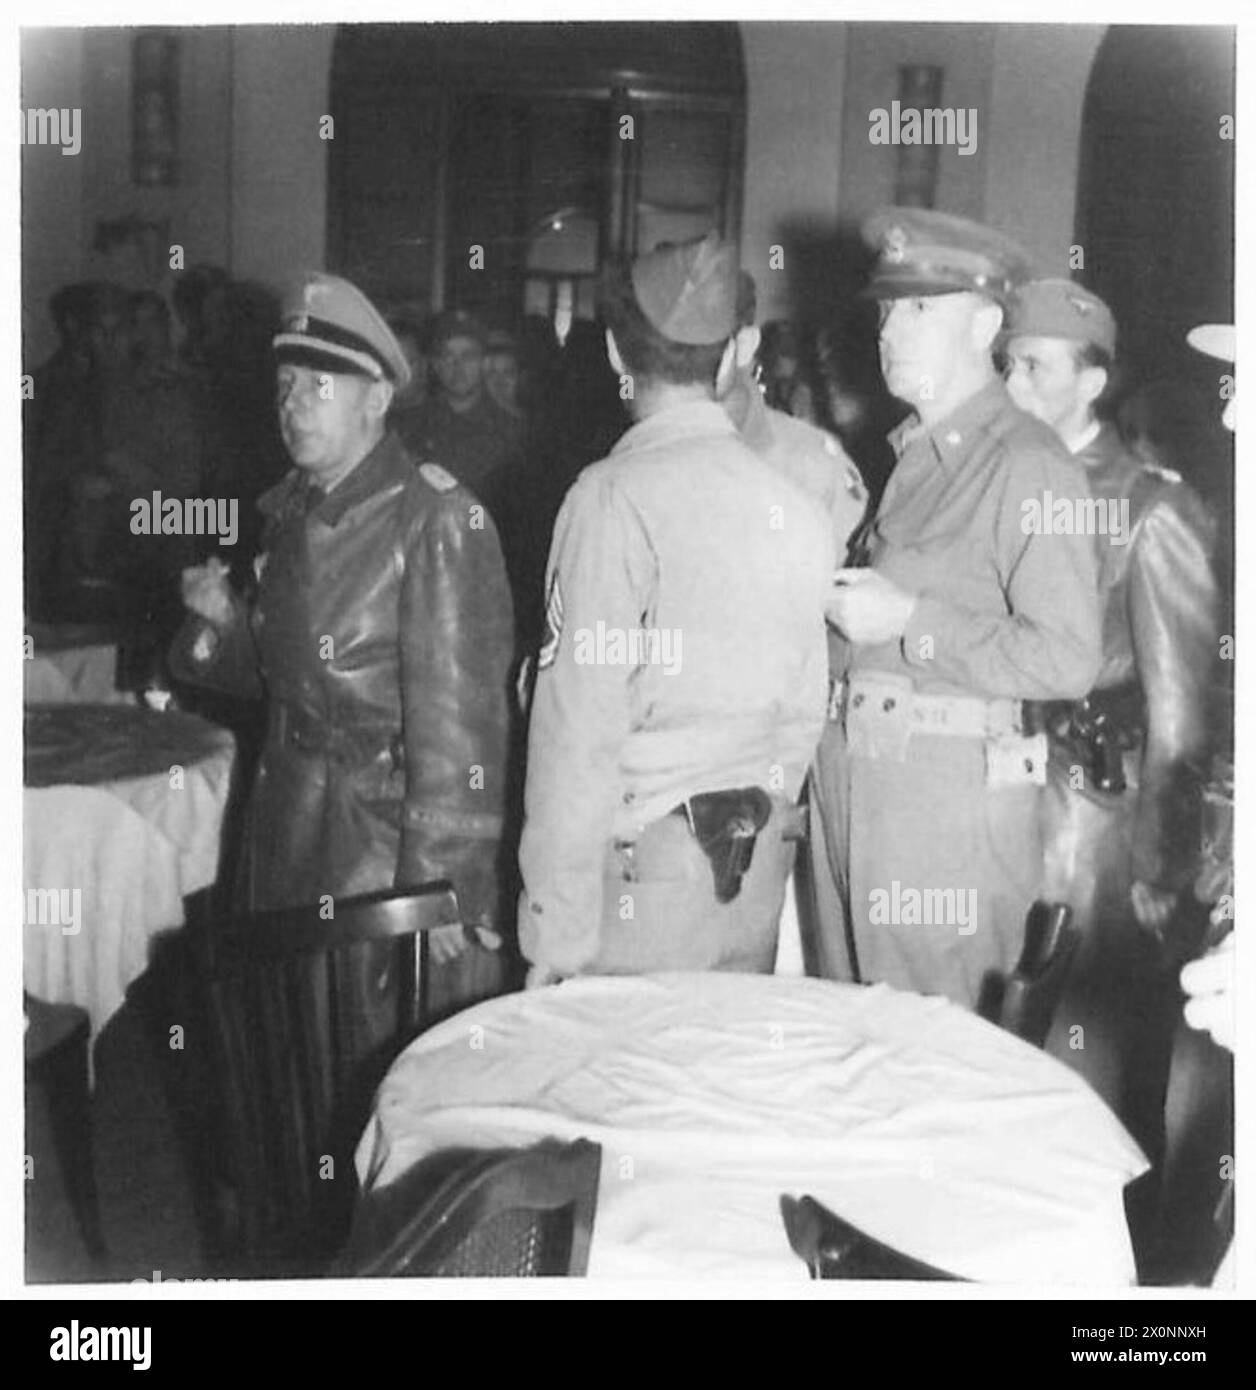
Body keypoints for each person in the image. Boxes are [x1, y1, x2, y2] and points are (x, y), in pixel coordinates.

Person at [170, 271, 516, 1024]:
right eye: (286, 384)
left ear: (377, 398)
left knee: (359, 1071)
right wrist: (219, 625)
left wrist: (442, 891)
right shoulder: (293, 507)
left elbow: (463, 736)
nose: (293, 403)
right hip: (287, 828)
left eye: (319, 386)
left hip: (376, 859)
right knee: (286, 1067)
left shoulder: (433, 519)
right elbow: (283, 683)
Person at [518, 234, 835, 984]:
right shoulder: (794, 503)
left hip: (639, 883)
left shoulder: (609, 498)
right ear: (732, 359)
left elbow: (577, 730)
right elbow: (802, 709)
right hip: (750, 877)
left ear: (616, 360)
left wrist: (554, 933)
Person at [810, 207, 1102, 1009]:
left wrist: (910, 622)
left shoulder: (1030, 465)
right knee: (855, 1056)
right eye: (886, 308)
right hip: (859, 791)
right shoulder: (914, 455)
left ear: (982, 324)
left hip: (942, 822)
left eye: (919, 309)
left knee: (924, 1076)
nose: (889, 330)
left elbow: (1066, 657)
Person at [1002, 278, 1218, 1159]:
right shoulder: (994, 477)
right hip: (992, 804)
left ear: (1092, 382)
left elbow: (1178, 711)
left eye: (1035, 366)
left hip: (1089, 826)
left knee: (1079, 1082)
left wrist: (1162, 864)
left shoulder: (1147, 508)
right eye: (1007, 362)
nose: (1012, 384)